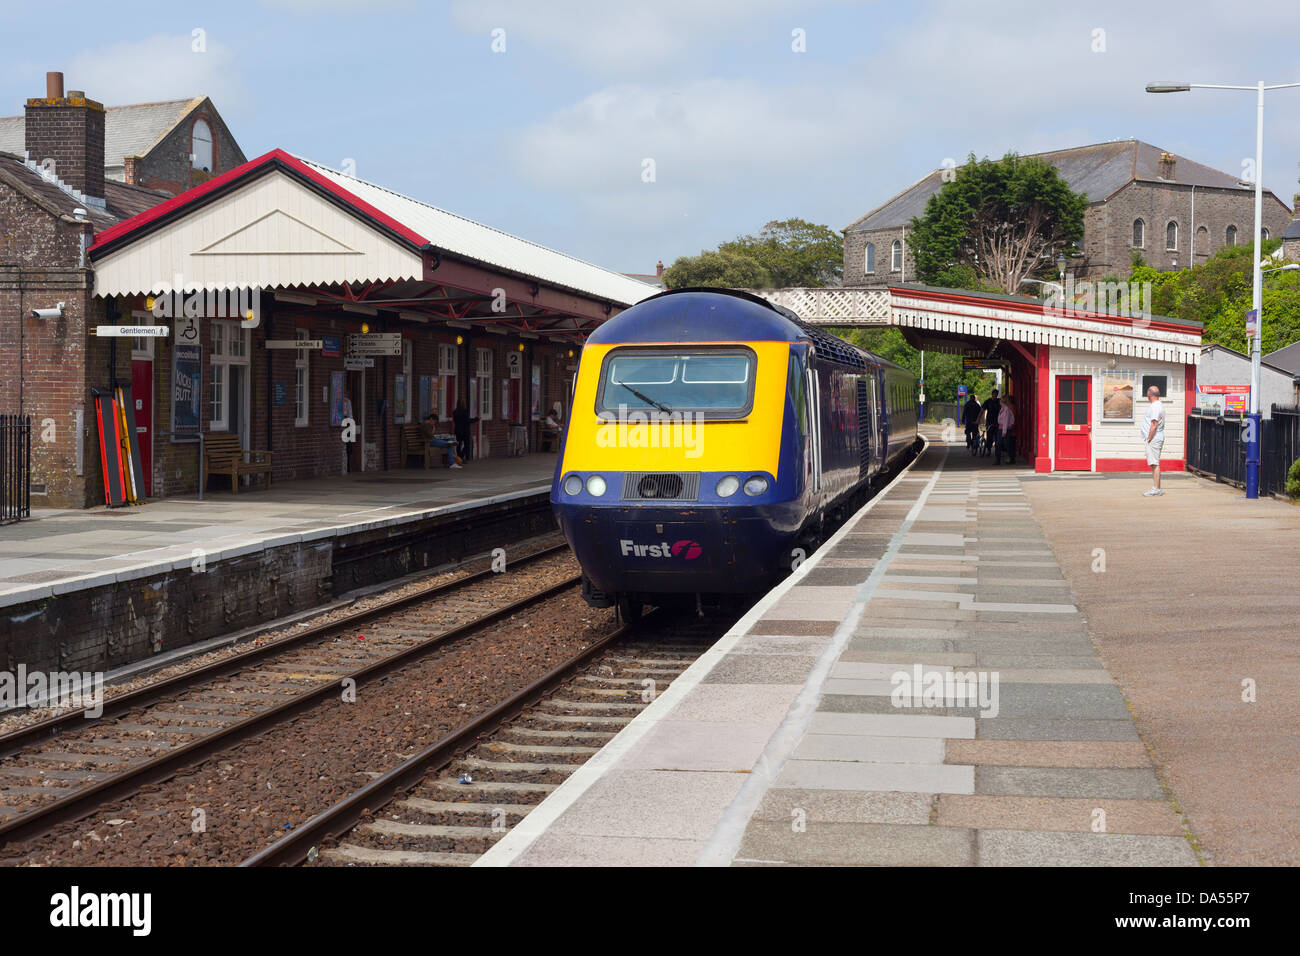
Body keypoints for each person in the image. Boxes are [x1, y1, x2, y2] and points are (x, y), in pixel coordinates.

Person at [1139, 385, 1165, 496]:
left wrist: (1149, 438)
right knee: (1154, 463)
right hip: (1156, 437)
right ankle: (1157, 488)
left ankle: (1156, 489)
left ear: (1149, 394)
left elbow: (1154, 424)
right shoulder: (1158, 405)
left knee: (1154, 463)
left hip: (1154, 437)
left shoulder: (1155, 406)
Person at [995, 395, 1016, 465]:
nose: (999, 401)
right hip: (1002, 428)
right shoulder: (1003, 409)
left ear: (1002, 401)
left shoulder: (1006, 409)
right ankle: (1000, 459)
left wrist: (1004, 432)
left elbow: (1006, 421)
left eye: (1000, 400)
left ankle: (1009, 459)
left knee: (1003, 444)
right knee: (1002, 444)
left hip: (1004, 429)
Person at [980, 388, 1001, 457]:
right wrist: (978, 419)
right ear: (992, 394)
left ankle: (997, 451)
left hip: (998, 422)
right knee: (989, 437)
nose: (995, 395)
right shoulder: (988, 402)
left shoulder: (999, 402)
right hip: (990, 422)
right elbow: (982, 410)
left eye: (996, 394)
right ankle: (988, 449)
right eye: (994, 394)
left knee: (998, 438)